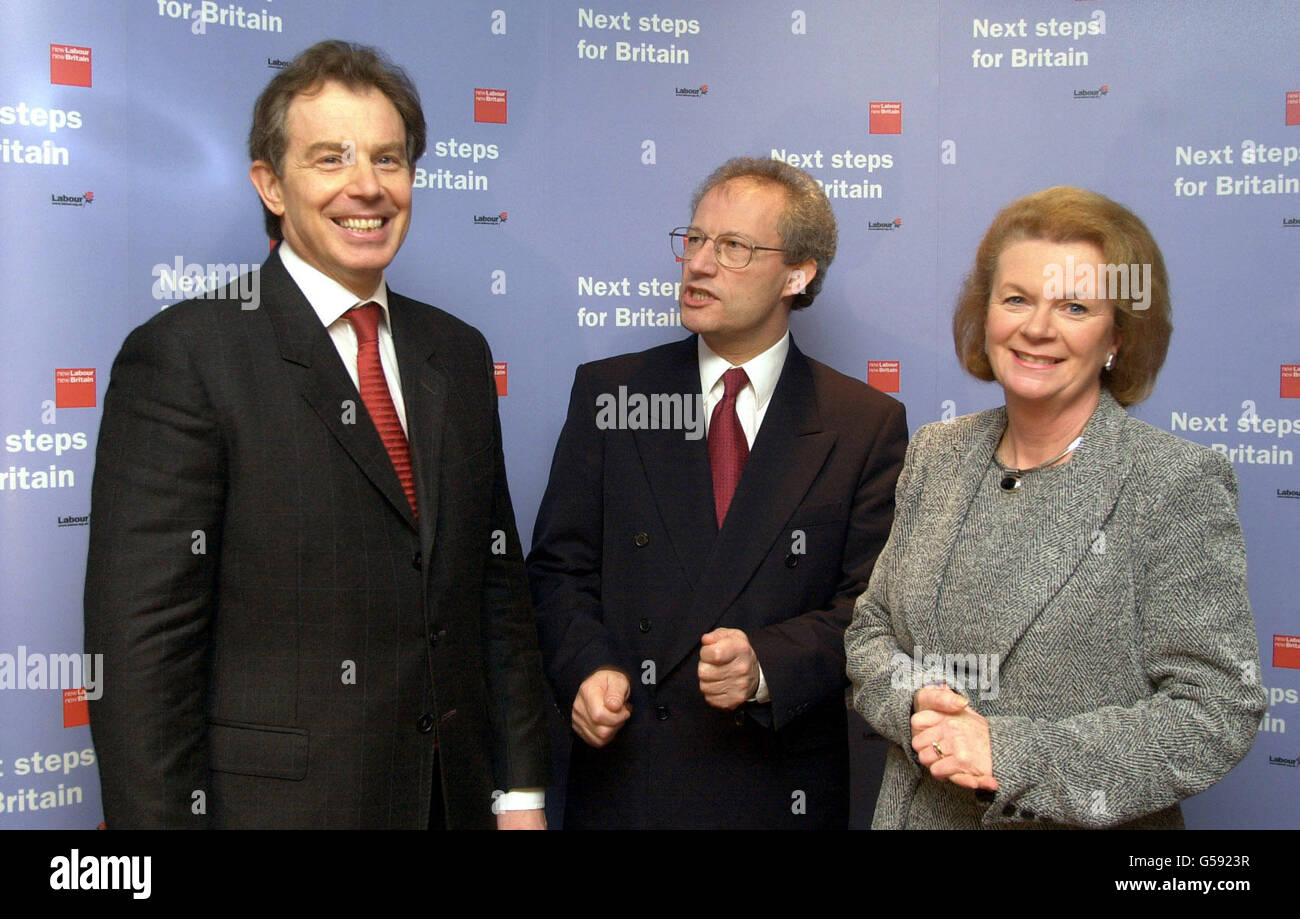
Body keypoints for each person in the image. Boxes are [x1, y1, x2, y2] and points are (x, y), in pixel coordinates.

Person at [84, 40, 548, 829]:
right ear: (270, 183)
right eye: (329, 158)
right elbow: (141, 655)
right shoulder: (187, 356)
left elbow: (494, 593)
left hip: (454, 804)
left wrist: (520, 791)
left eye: (389, 159)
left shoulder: (458, 354)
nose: (366, 186)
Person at [845, 186, 1266, 828]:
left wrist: (1009, 754)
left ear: (1118, 336)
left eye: (1074, 306)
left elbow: (1215, 710)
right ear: (985, 313)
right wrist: (913, 700)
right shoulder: (937, 453)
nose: (1036, 328)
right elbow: (870, 631)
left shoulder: (1172, 480)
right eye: (1016, 299)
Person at [527, 156, 908, 828]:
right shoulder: (612, 395)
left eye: (732, 247)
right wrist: (586, 668)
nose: (699, 264)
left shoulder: (864, 425)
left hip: (777, 785)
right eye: (695, 239)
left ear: (798, 273)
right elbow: (560, 568)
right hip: (629, 778)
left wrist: (768, 663)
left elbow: (872, 611)